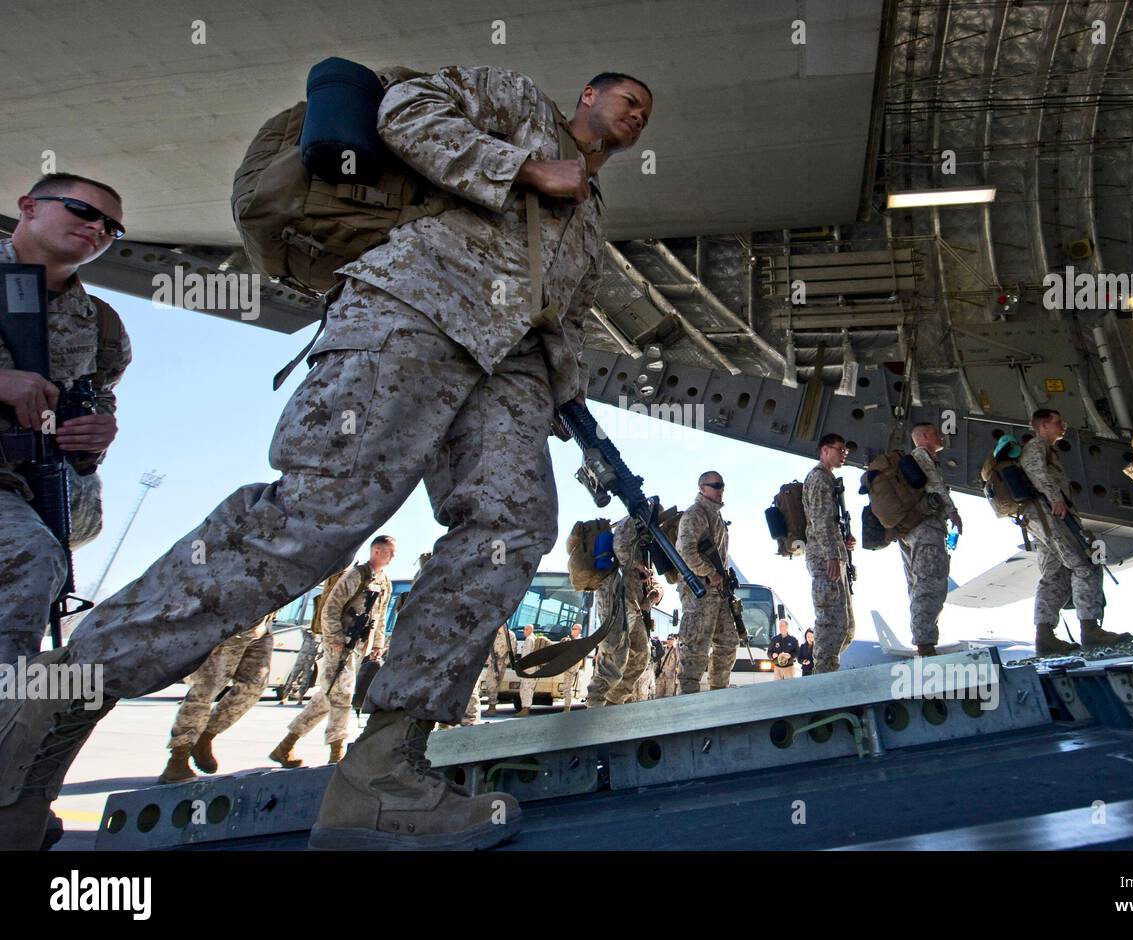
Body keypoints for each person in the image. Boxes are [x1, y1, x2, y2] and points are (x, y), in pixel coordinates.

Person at [0, 67, 652, 851]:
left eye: (646, 113)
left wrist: (561, 392)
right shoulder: (516, 101)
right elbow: (409, 109)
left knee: (510, 530)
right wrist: (523, 167)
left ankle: (382, 775)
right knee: (315, 519)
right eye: (628, 99)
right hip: (416, 308)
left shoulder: (592, 210)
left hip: (513, 365)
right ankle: (45, 715)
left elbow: (560, 308)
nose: (636, 115)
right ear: (588, 96)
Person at [1, 173, 131, 666]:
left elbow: (101, 398)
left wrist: (98, 433)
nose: (98, 228)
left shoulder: (102, 324)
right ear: (29, 206)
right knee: (29, 556)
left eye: (111, 226)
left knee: (37, 556)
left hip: (25, 486)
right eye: (83, 211)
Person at [269, 535, 395, 766]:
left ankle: (285, 746)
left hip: (358, 648)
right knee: (342, 696)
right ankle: (337, 752)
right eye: (389, 552)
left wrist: (377, 644)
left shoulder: (384, 581)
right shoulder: (356, 575)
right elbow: (330, 607)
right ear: (376, 551)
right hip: (340, 645)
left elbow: (380, 614)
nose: (392, 557)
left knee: (326, 697)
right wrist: (335, 637)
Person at [1020, 410, 1132, 655]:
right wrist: (1055, 499)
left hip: (1041, 518)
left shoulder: (1045, 449)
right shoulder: (1037, 446)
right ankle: (1090, 629)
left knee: (1055, 575)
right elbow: (1036, 471)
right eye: (1058, 422)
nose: (1064, 425)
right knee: (1086, 564)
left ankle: (1045, 637)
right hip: (1050, 515)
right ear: (1043, 426)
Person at [158, 613, 275, 782]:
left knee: (254, 686)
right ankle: (178, 757)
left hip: (262, 627)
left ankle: (205, 737)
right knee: (206, 688)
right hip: (230, 622)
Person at [587, 514, 663, 707]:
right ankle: (594, 706)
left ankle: (613, 703)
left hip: (633, 603)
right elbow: (620, 547)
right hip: (615, 598)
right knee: (614, 656)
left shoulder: (643, 539)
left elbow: (648, 575)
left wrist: (655, 591)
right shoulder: (631, 522)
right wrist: (638, 566)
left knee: (641, 653)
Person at [899, 423, 961, 656]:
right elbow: (934, 485)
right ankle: (925, 645)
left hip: (909, 528)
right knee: (931, 580)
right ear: (924, 436)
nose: (941, 435)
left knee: (917, 584)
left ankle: (923, 641)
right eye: (936, 432)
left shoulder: (913, 460)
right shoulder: (922, 456)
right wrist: (952, 511)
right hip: (926, 526)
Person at [675, 471, 738, 693]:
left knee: (728, 642)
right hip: (699, 591)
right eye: (716, 485)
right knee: (696, 645)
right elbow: (686, 551)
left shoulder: (715, 516)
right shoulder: (695, 514)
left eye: (722, 485)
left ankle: (718, 691)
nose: (721, 489)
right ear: (702, 488)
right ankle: (687, 697)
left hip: (718, 592)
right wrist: (710, 573)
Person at [803, 434, 857, 673]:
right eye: (840, 449)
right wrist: (831, 555)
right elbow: (819, 520)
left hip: (834, 556)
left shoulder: (828, 479)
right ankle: (822, 677)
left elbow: (829, 522)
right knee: (831, 622)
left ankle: (826, 670)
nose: (844, 454)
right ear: (825, 450)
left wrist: (842, 544)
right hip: (825, 560)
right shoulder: (819, 478)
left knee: (846, 626)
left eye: (845, 451)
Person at [516, 624, 549, 716]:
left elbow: (527, 655)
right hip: (533, 668)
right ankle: (525, 708)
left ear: (531, 630)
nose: (524, 631)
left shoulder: (529, 639)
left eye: (526, 629)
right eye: (524, 629)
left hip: (529, 669)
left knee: (526, 689)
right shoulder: (534, 638)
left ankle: (525, 709)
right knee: (528, 688)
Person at [483, 623, 513, 716]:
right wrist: (488, 660)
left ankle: (492, 707)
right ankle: (491, 706)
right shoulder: (494, 634)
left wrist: (505, 663)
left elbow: (512, 650)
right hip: (492, 662)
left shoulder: (510, 635)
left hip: (500, 663)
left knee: (494, 685)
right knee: (489, 683)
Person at [559, 623, 583, 711]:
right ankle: (566, 707)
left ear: (579, 631)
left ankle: (567, 707)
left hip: (571, 668)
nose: (572, 630)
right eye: (572, 628)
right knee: (567, 687)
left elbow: (576, 656)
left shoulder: (579, 641)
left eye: (574, 629)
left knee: (567, 687)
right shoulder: (575, 640)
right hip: (570, 667)